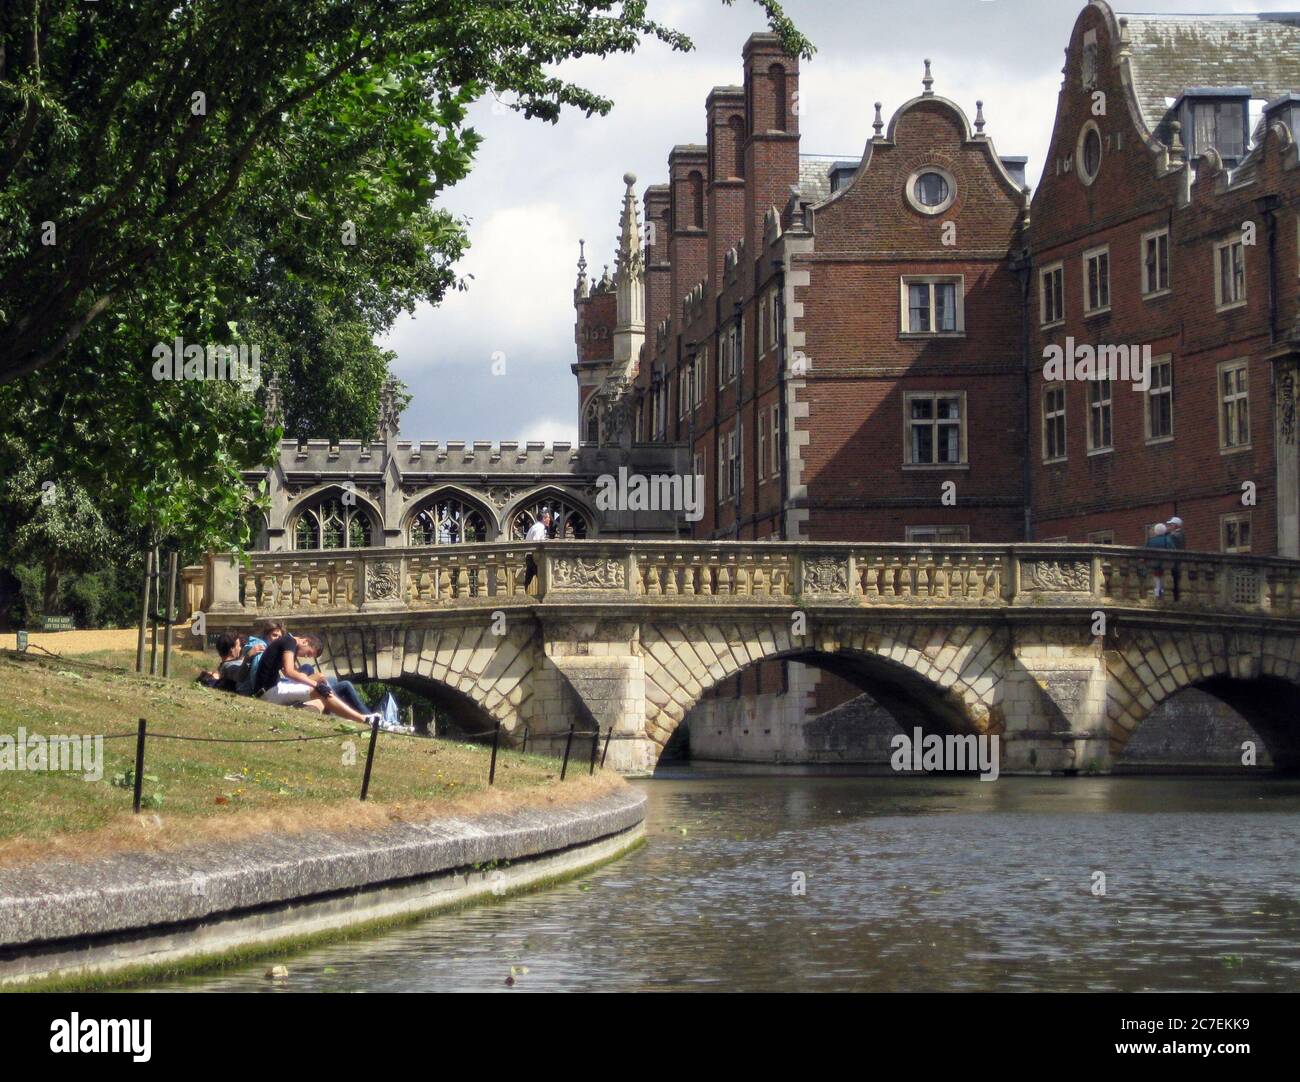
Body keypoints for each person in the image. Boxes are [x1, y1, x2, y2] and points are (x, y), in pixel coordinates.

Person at [251, 629, 379, 726]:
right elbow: (290, 672)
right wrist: (316, 684)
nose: (306, 657)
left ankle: (361, 717)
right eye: (308, 653)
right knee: (321, 691)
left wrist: (316, 681)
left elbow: (291, 674)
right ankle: (364, 719)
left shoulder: (289, 644)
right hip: (268, 692)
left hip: (271, 689)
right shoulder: (289, 641)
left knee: (324, 688)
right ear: (306, 641)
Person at [522, 508, 553, 591]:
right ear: (544, 518)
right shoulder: (540, 527)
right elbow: (536, 543)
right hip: (534, 557)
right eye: (548, 518)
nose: (550, 520)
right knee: (544, 577)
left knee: (528, 579)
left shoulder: (536, 526)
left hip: (530, 556)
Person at [1144, 522, 1172, 599]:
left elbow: (1144, 553)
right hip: (1164, 564)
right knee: (1164, 580)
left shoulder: (1150, 541)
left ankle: (1156, 594)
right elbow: (1173, 551)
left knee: (1156, 581)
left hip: (1152, 565)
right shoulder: (1167, 539)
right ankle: (1162, 593)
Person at [1165, 516, 1186, 600]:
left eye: (1170, 524)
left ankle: (1175, 599)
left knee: (1174, 580)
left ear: (1176, 526)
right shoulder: (1181, 534)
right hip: (1179, 561)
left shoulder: (1173, 536)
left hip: (1174, 561)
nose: (1168, 526)